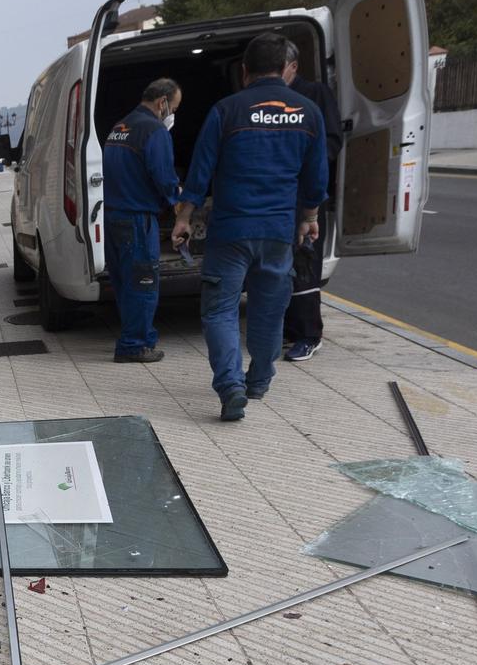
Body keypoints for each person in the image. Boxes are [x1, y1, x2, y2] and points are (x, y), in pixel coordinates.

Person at [172, 34, 327, 420]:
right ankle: (258, 380)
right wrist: (309, 218)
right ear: (287, 69)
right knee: (268, 311)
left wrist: (183, 217)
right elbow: (316, 178)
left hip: (230, 231)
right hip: (278, 232)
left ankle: (230, 386)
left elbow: (200, 170)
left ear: (244, 71)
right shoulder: (308, 112)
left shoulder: (227, 110)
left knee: (220, 311)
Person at [101, 79, 183, 364]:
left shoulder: (121, 127)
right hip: (137, 219)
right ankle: (134, 344)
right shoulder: (154, 131)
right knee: (143, 282)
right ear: (162, 103)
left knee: (126, 282)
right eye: (173, 107)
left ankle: (137, 336)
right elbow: (163, 174)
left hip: (113, 215)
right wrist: (178, 201)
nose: (172, 114)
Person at [279, 55, 342, 363]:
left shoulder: (315, 95)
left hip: (306, 198)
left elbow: (331, 143)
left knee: (305, 267)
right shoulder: (271, 100)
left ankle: (308, 335)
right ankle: (290, 329)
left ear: (293, 65)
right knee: (282, 268)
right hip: (279, 199)